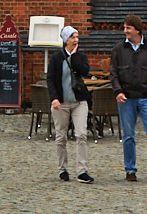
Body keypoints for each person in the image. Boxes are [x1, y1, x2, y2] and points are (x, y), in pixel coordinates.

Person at [111, 15, 147, 183]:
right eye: (124, 28)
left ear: (137, 29)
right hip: (126, 98)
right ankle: (130, 169)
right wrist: (118, 91)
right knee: (128, 135)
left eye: (128, 28)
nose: (125, 31)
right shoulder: (118, 49)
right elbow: (113, 73)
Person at [48, 25, 95, 184]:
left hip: (79, 102)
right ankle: (63, 169)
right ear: (65, 40)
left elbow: (84, 71)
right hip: (61, 103)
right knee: (61, 136)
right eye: (72, 37)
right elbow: (51, 79)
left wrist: (74, 57)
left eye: (77, 37)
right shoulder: (56, 58)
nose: (75, 40)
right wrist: (54, 98)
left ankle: (82, 170)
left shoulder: (80, 57)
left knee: (81, 134)